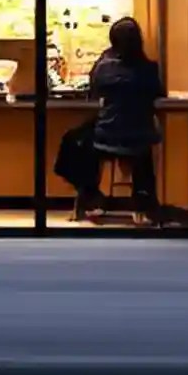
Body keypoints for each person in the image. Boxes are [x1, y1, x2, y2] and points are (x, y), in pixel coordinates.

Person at [62, 17, 164, 225]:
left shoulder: (104, 67)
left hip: (106, 136)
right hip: (140, 136)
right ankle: (143, 201)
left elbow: (93, 90)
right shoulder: (149, 69)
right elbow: (158, 93)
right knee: (143, 150)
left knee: (75, 140)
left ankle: (90, 196)